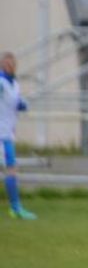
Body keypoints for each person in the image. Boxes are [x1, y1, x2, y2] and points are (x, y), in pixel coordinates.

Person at [1, 52, 36, 220]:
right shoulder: (1, 82)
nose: (11, 66)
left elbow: (14, 103)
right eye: (7, 64)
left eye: (13, 64)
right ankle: (15, 208)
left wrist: (22, 104)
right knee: (11, 169)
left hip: (7, 134)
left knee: (11, 170)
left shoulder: (14, 83)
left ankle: (15, 208)